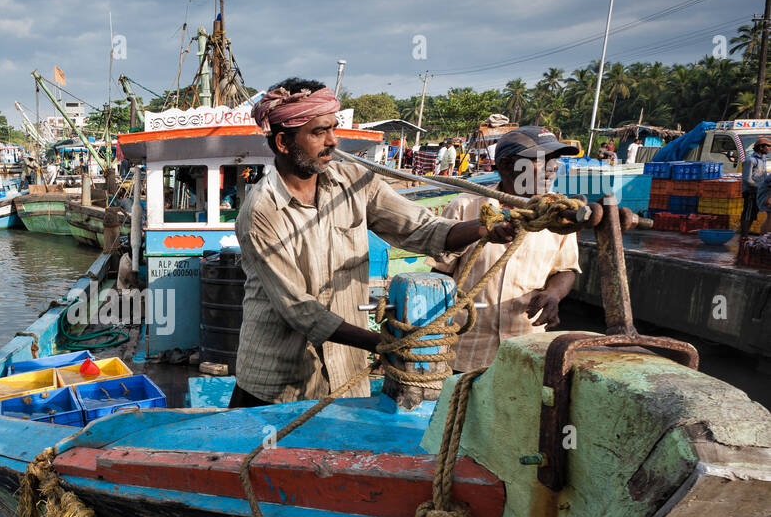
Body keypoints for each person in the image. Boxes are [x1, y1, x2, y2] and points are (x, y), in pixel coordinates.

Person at [230, 78, 517, 407]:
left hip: (346, 374)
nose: (332, 141)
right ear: (283, 142)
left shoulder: (354, 181)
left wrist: (482, 229)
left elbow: (420, 228)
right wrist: (384, 342)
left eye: (333, 129)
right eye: (319, 132)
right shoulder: (261, 211)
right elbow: (300, 310)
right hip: (277, 384)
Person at [433, 126, 581, 373]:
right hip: (464, 349)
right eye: (541, 161)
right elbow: (440, 272)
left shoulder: (560, 215)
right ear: (505, 166)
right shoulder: (465, 207)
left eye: (554, 160)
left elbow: (566, 270)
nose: (552, 167)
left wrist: (554, 294)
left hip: (526, 352)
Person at [740, 137, 771, 238]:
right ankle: (744, 236)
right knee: (748, 213)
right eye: (768, 146)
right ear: (761, 147)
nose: (769, 148)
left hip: (758, 191)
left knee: (753, 214)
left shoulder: (763, 159)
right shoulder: (750, 160)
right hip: (750, 191)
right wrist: (760, 187)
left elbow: (764, 176)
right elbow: (746, 179)